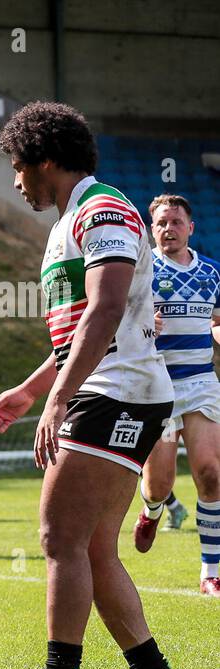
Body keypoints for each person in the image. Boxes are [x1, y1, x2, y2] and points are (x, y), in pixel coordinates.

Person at [0, 101, 188, 669]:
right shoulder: (72, 221)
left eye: (18, 166)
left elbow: (107, 310)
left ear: (43, 159)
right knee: (93, 546)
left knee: (57, 536)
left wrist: (60, 397)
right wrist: (30, 388)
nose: (16, 180)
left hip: (117, 392)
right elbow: (81, 333)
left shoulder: (104, 210)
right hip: (113, 386)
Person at [130, 194, 220, 594]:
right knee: (159, 485)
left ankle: (210, 571)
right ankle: (151, 512)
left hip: (201, 384)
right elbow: (120, 321)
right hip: (158, 387)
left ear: (190, 228)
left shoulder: (212, 273)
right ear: (153, 229)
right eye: (162, 223)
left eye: (176, 222)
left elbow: (216, 322)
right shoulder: (139, 271)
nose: (169, 229)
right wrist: (144, 323)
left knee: (211, 473)